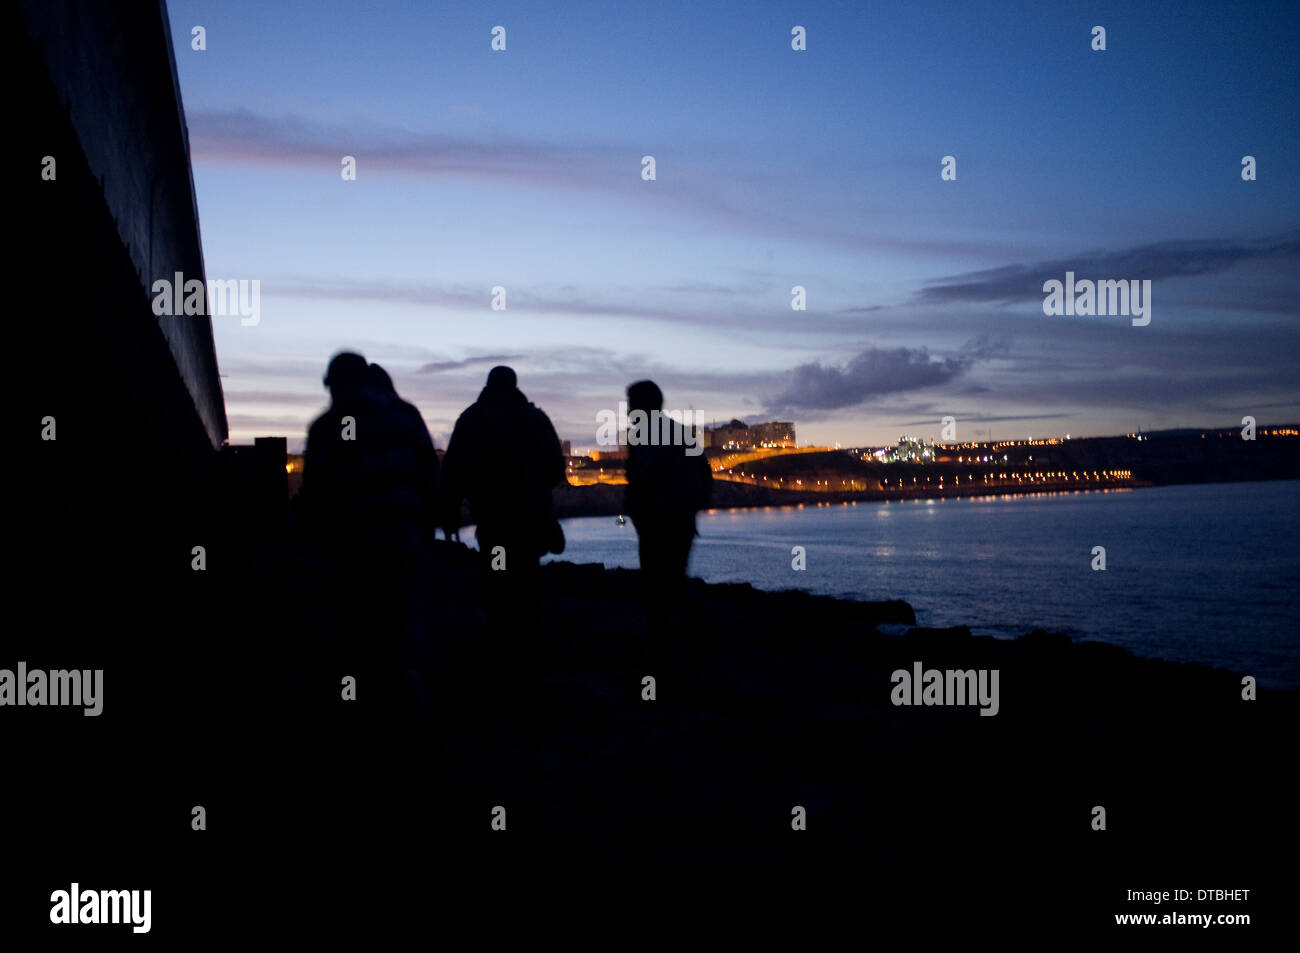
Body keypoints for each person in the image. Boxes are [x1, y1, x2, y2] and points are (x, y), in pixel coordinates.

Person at [439, 365, 566, 582]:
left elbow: (452, 472)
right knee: (526, 580)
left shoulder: (470, 419)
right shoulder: (536, 419)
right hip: (529, 519)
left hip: (492, 520)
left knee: (497, 579)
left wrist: (450, 514)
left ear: (488, 384)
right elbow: (555, 469)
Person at [623, 380, 713, 602]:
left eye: (632, 404)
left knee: (656, 588)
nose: (628, 410)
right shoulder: (679, 431)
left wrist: (640, 509)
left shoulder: (643, 436)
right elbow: (704, 470)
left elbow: (643, 478)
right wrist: (694, 505)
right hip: (681, 520)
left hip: (657, 522)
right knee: (676, 582)